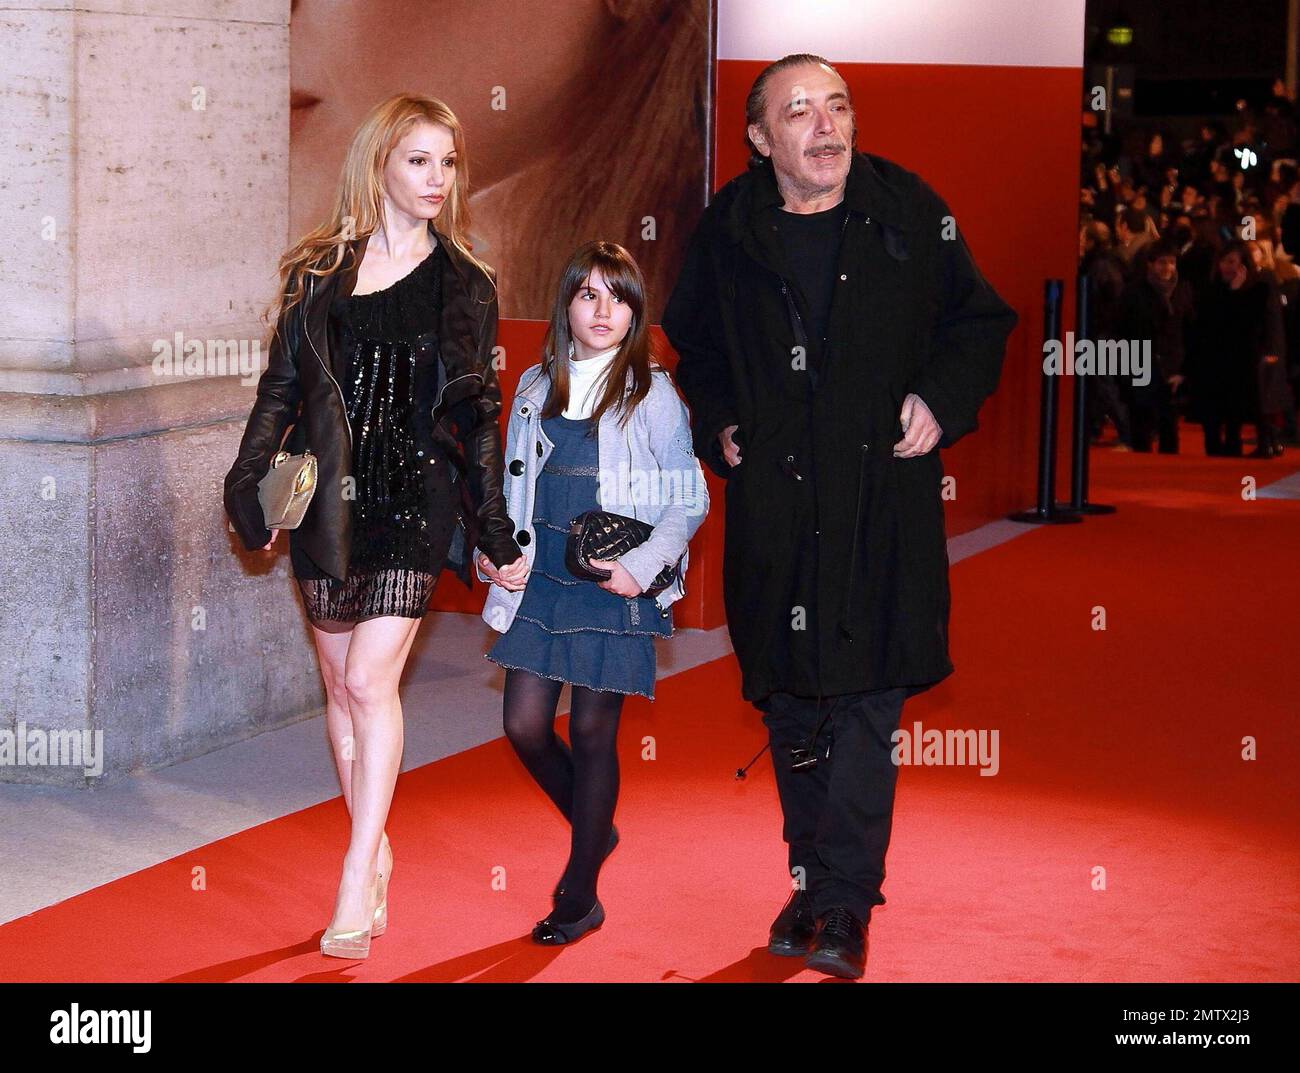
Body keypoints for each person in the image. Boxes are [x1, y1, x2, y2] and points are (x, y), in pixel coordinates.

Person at [663, 54, 1017, 979]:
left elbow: (980, 322)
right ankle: (813, 878)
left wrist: (940, 398)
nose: (827, 128)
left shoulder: (909, 211)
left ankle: (846, 901)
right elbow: (692, 343)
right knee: (792, 700)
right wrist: (719, 420)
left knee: (864, 700)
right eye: (800, 112)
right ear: (759, 137)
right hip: (777, 511)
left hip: (880, 509)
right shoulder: (729, 233)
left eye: (838, 107)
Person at [223, 94, 525, 959]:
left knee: (369, 681)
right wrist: (251, 487)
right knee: (339, 685)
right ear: (380, 165)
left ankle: (355, 872)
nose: (437, 179)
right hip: (327, 500)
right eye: (420, 160)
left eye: (449, 162)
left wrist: (495, 531)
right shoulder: (318, 273)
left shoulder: (465, 282)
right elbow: (278, 395)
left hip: (414, 497)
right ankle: (378, 844)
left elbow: (478, 415)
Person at [477, 241, 708, 944]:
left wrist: (643, 565)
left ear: (635, 311)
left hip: (613, 582)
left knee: (591, 731)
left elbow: (688, 497)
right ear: (567, 307)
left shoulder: (653, 393)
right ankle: (593, 824)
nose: (602, 310)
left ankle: (579, 893)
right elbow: (509, 491)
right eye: (588, 295)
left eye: (618, 296)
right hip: (542, 578)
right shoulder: (532, 386)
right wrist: (496, 554)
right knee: (522, 725)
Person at [1187, 241, 1286, 458]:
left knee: (1238, 412)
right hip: (1214, 358)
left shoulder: (1259, 288)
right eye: (1224, 261)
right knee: (1213, 416)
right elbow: (1207, 323)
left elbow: (1253, 324)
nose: (1227, 266)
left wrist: (1237, 293)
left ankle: (1249, 445)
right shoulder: (1211, 289)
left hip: (1243, 360)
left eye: (1232, 261)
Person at [1115, 239, 1193, 453]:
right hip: (1140, 364)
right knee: (1140, 422)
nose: (1167, 268)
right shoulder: (1133, 292)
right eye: (1162, 263)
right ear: (1150, 264)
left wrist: (1184, 370)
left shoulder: (1184, 291)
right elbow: (1121, 329)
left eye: (1171, 263)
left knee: (1169, 424)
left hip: (1172, 366)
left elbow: (1190, 330)